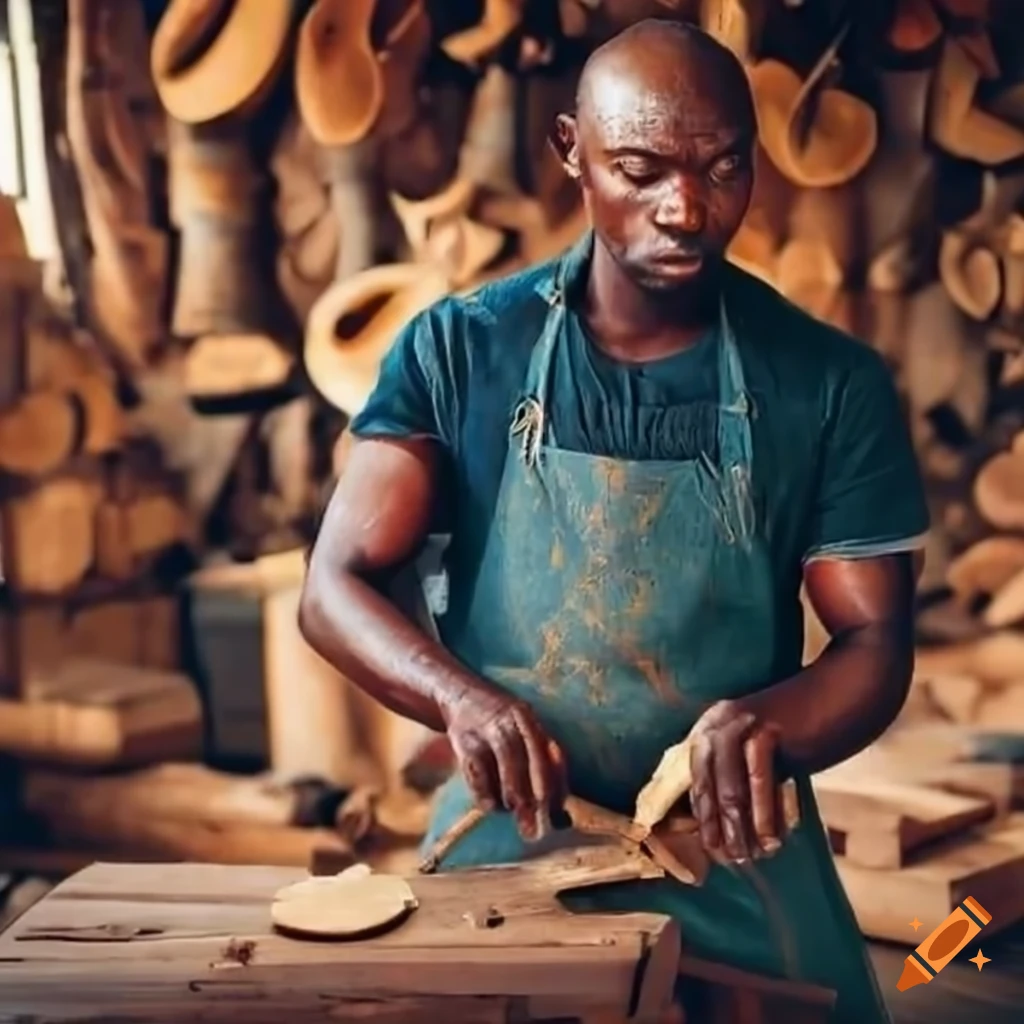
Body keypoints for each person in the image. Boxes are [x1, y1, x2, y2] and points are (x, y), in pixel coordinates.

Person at [300, 18, 927, 1023]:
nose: (684, 208)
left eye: (722, 168)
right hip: (510, 838)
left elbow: (875, 639)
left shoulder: (826, 381)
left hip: (732, 845)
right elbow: (333, 587)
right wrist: (461, 701)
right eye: (640, 169)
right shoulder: (458, 351)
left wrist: (774, 723)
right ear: (570, 153)